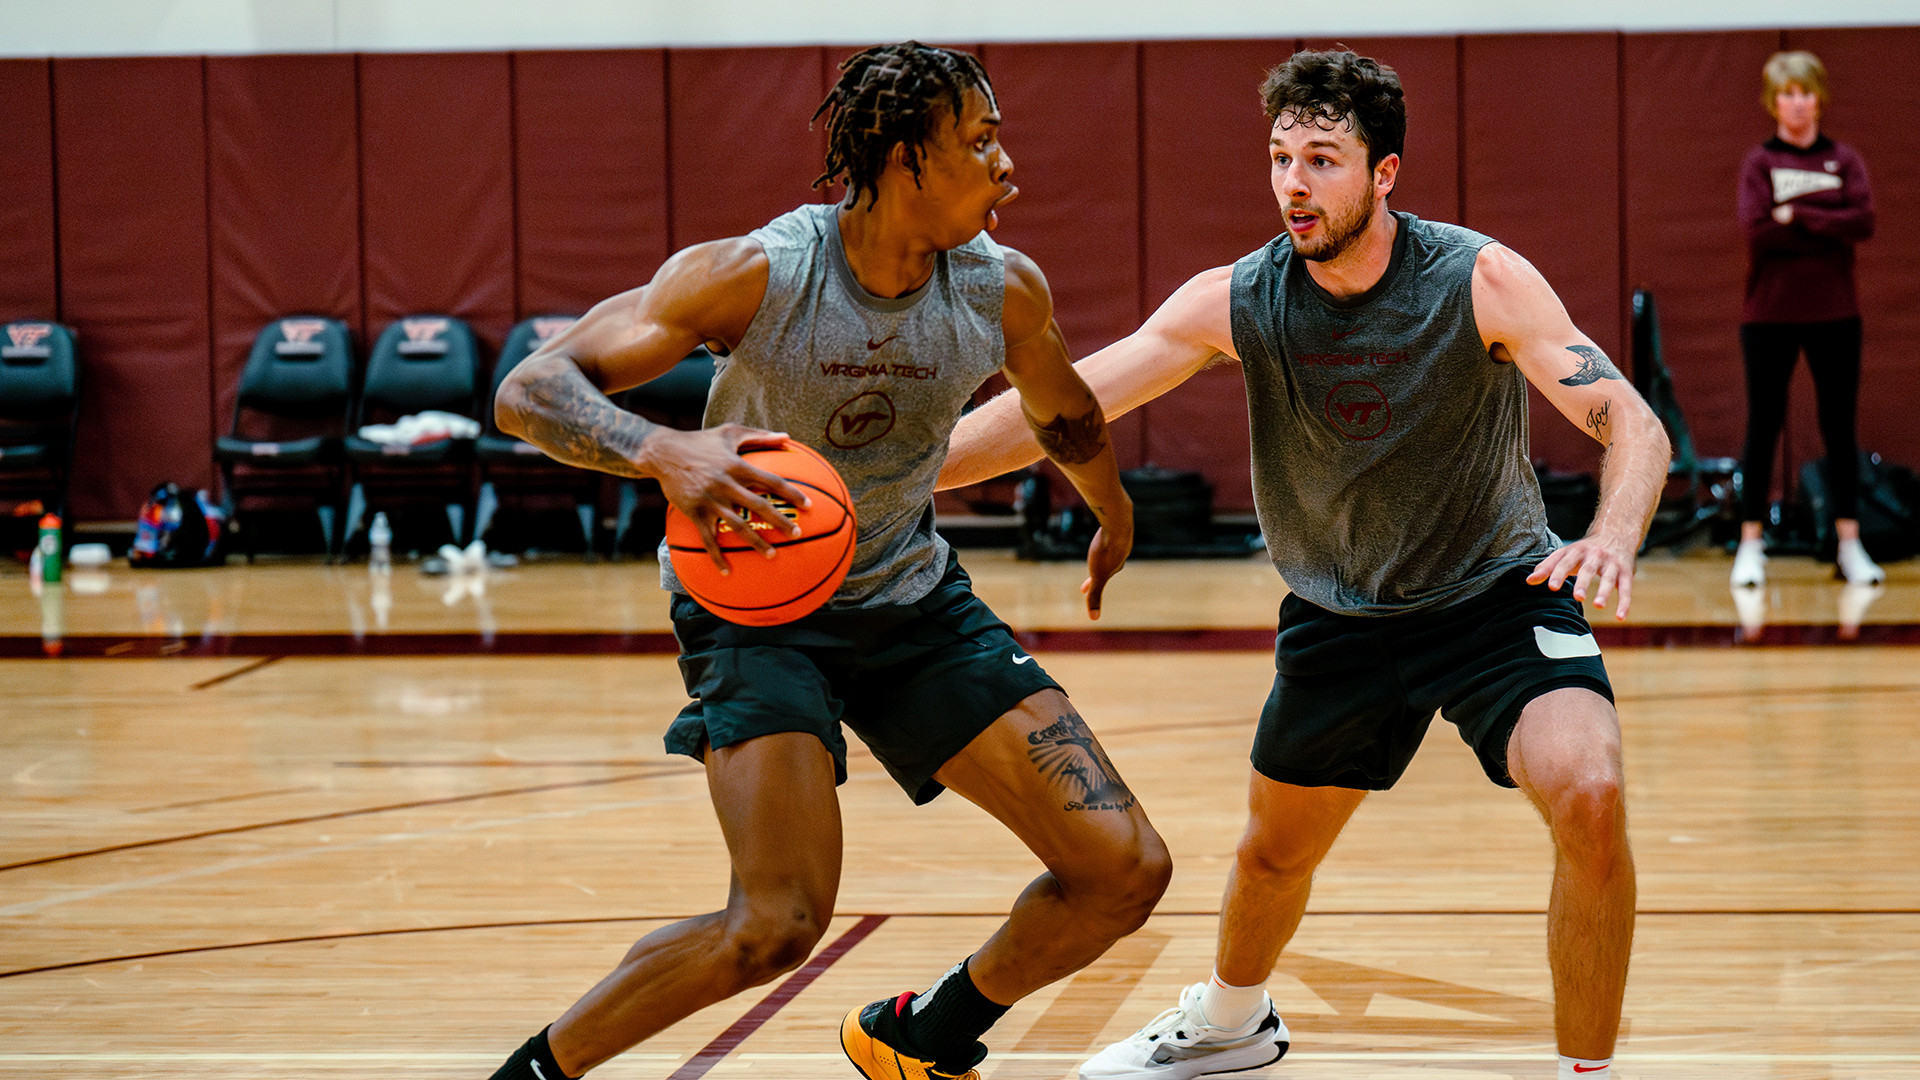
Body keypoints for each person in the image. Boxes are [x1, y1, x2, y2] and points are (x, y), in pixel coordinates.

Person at [940, 50, 1670, 1080]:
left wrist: (1613, 535)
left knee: (1590, 795)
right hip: (1339, 615)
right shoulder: (1239, 298)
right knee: (1273, 853)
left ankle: (1586, 1074)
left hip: (1496, 600)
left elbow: (1633, 424)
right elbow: (1068, 404)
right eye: (1282, 157)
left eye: (1323, 159)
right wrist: (910, 469)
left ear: (1384, 173)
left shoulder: (1480, 281)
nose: (1294, 182)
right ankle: (1231, 1022)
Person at [486, 42, 1170, 1080]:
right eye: (981, 141)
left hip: (911, 599)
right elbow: (529, 388)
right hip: (755, 611)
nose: (1006, 165)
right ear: (906, 157)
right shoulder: (759, 274)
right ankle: (535, 1074)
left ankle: (918, 1036)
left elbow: (1063, 409)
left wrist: (1112, 511)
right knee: (774, 926)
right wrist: (659, 448)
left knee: (1124, 869)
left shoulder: (1000, 289)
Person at [1730, 50, 1880, 588]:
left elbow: (1863, 221)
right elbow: (1757, 230)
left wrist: (1796, 214)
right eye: (1787, 93)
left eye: (1806, 92)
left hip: (1836, 313)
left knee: (1839, 427)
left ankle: (1849, 545)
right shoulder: (1760, 163)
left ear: (1820, 98)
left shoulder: (1844, 159)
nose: (1798, 103)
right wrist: (1826, 223)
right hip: (1769, 315)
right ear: (1773, 102)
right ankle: (1750, 546)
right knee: (1763, 424)